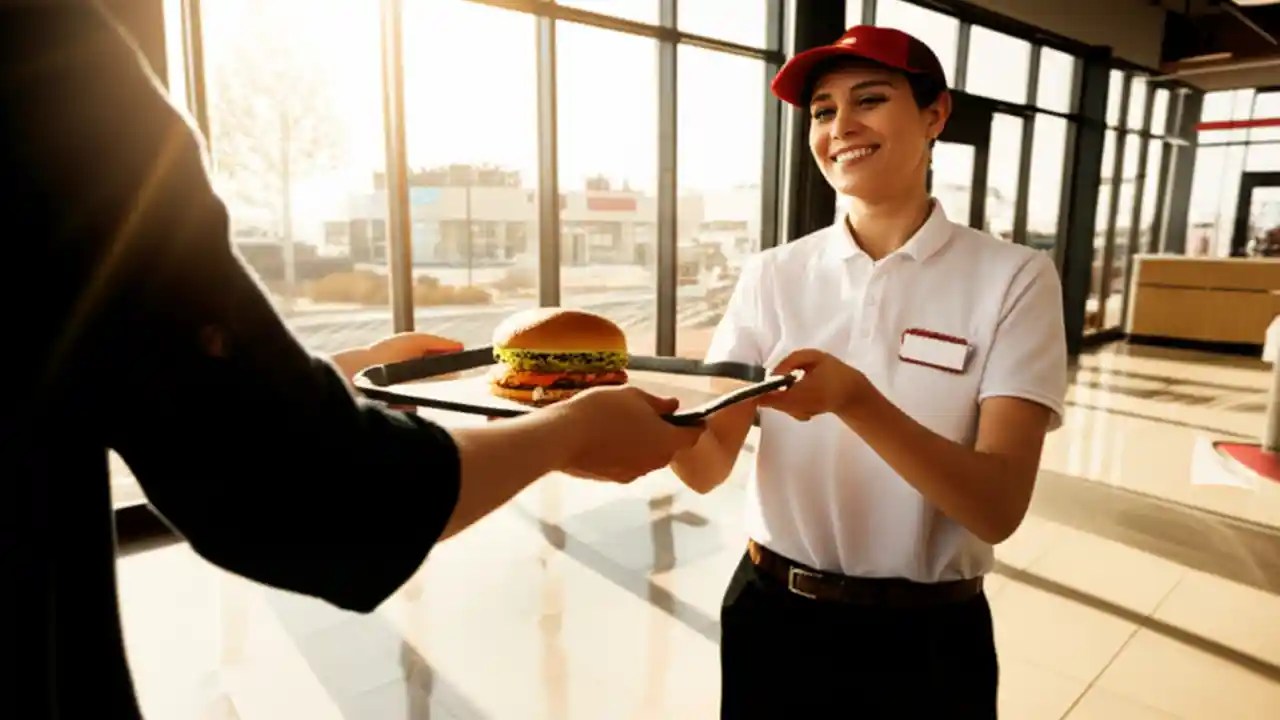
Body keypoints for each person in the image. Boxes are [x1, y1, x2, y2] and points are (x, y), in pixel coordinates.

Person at [0, 4, 703, 718]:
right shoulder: (56, 60)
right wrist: (571, 430)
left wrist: (341, 370)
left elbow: (145, 387)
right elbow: (315, 488)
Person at [670, 24, 1068, 718]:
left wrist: (856, 401)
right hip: (772, 616)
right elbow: (705, 464)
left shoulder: (1013, 277)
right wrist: (635, 412)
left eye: (871, 100)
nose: (841, 127)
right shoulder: (773, 274)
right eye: (823, 110)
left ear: (935, 115)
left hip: (927, 642)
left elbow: (997, 506)